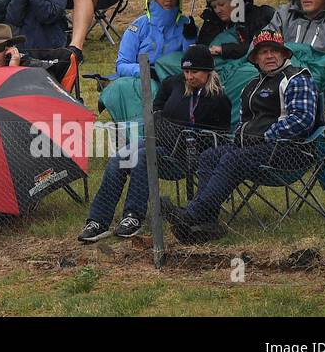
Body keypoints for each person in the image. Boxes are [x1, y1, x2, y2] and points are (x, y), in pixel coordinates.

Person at [161, 31, 319, 242]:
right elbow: (245, 124)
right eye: (263, 52)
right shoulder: (252, 86)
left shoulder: (296, 79)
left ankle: (193, 214)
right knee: (210, 155)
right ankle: (206, 224)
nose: (269, 56)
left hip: (292, 150)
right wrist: (242, 140)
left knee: (235, 158)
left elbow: (302, 119)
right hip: (255, 151)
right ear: (255, 58)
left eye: (274, 51)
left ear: (283, 54)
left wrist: (266, 136)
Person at [78, 44, 232, 242]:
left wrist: (187, 136)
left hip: (186, 156)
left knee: (142, 157)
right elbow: (156, 108)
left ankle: (133, 216)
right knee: (120, 157)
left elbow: (220, 137)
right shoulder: (172, 84)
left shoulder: (219, 99)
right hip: (160, 141)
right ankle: (98, 220)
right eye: (186, 71)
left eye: (195, 72)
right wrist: (159, 120)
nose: (189, 77)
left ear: (208, 71)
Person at [114, 0, 196, 77]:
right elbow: (121, 65)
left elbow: (193, 65)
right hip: (143, 80)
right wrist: (145, 71)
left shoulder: (186, 25)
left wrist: (190, 39)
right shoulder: (138, 26)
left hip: (175, 80)